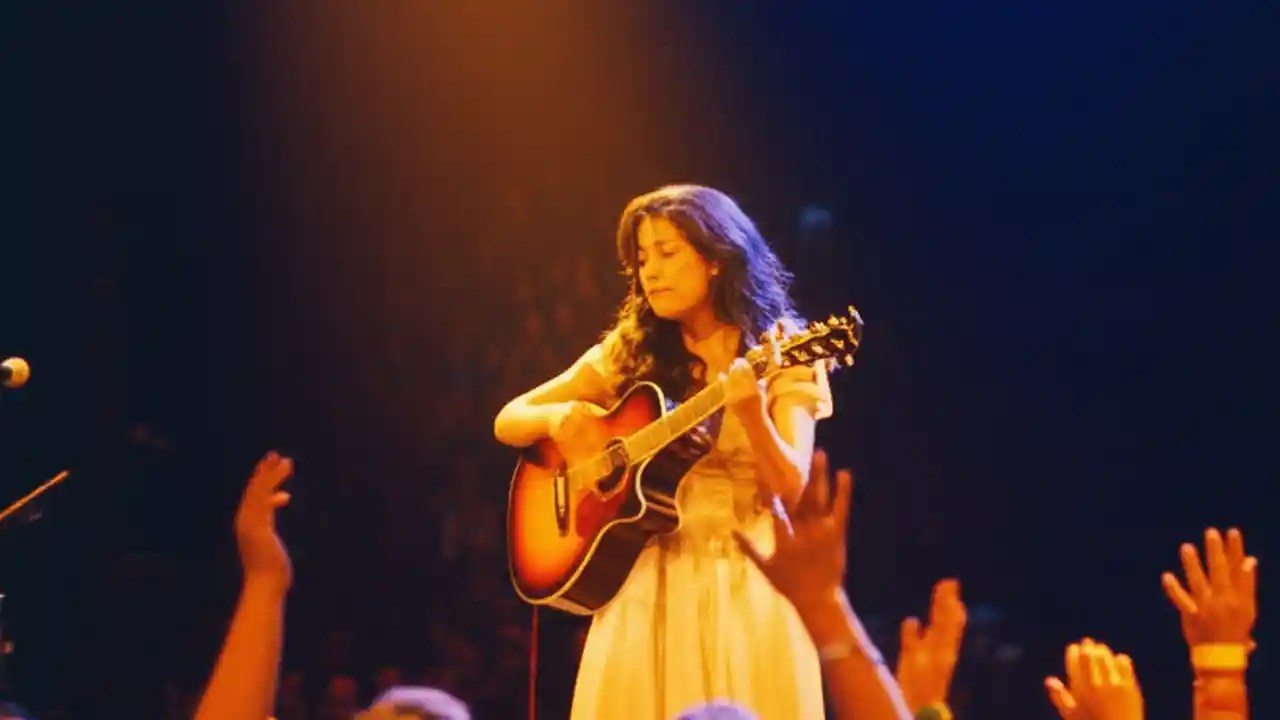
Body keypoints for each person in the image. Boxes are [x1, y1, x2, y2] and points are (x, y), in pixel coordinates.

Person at [494, 184, 834, 718]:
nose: (649, 271)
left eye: (667, 253)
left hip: (748, 583)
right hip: (647, 581)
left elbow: (791, 487)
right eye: (642, 258)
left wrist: (750, 414)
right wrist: (565, 422)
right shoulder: (629, 351)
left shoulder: (784, 350)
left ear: (718, 259)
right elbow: (509, 419)